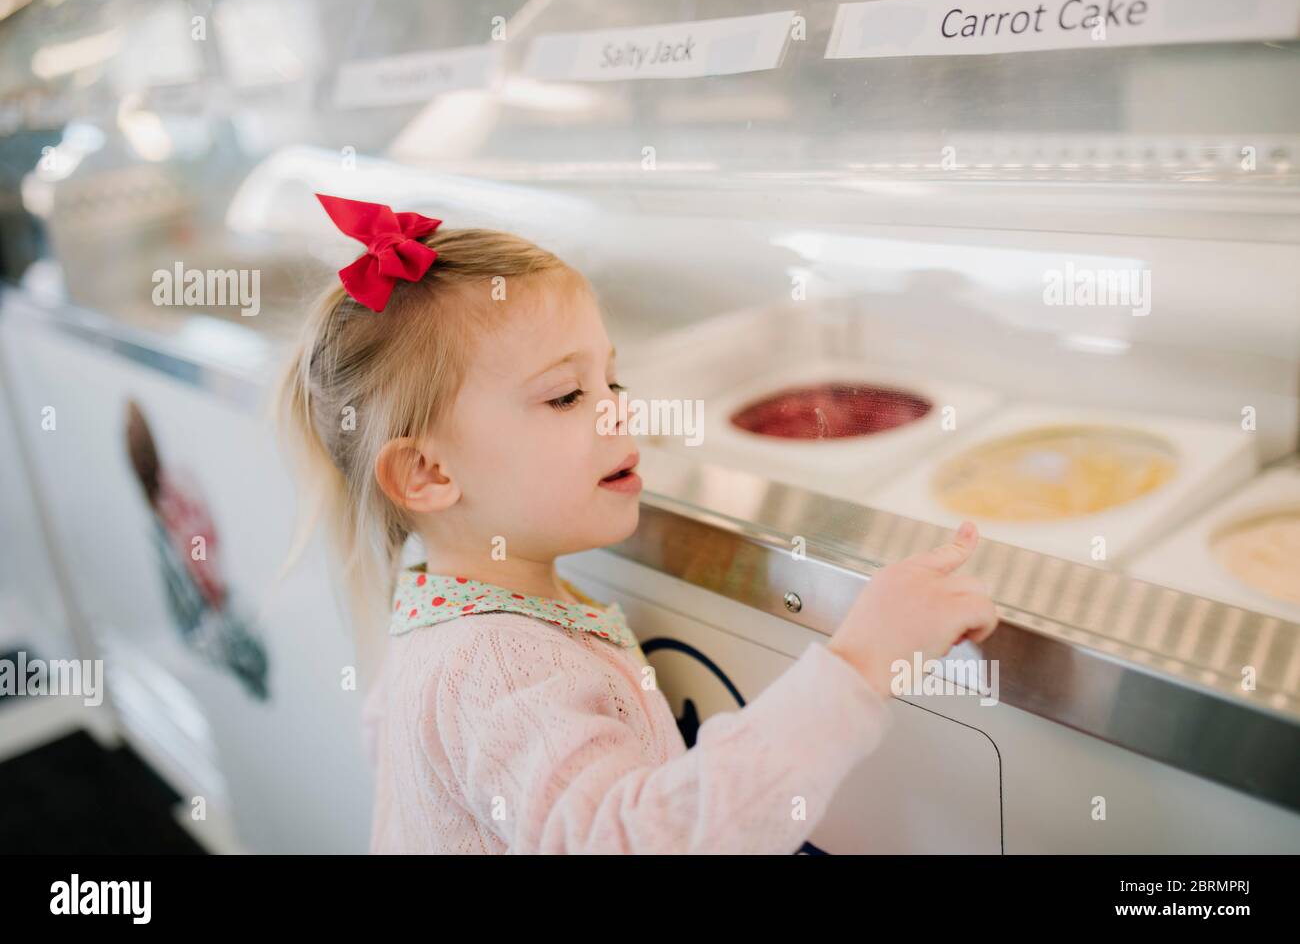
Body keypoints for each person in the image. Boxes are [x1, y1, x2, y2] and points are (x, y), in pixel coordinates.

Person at [276, 194, 999, 853]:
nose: (620, 411)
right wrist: (865, 661)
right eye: (565, 396)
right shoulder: (492, 665)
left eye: (611, 380)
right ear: (428, 475)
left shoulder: (439, 601)